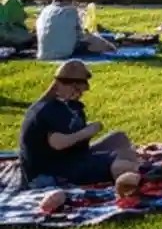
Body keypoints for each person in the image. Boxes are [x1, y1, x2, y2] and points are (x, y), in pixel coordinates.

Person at [19, 60, 142, 191]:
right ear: (65, 85)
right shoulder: (48, 110)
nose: (80, 94)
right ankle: (126, 185)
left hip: (70, 158)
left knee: (119, 138)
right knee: (122, 155)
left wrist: (86, 130)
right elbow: (58, 142)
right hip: (52, 172)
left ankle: (127, 173)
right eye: (77, 90)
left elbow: (70, 131)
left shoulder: (68, 104)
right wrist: (88, 131)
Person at [35, 0, 114, 60]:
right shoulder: (71, 11)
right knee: (95, 42)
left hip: (42, 54)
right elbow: (82, 36)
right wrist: (103, 42)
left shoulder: (45, 10)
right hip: (63, 54)